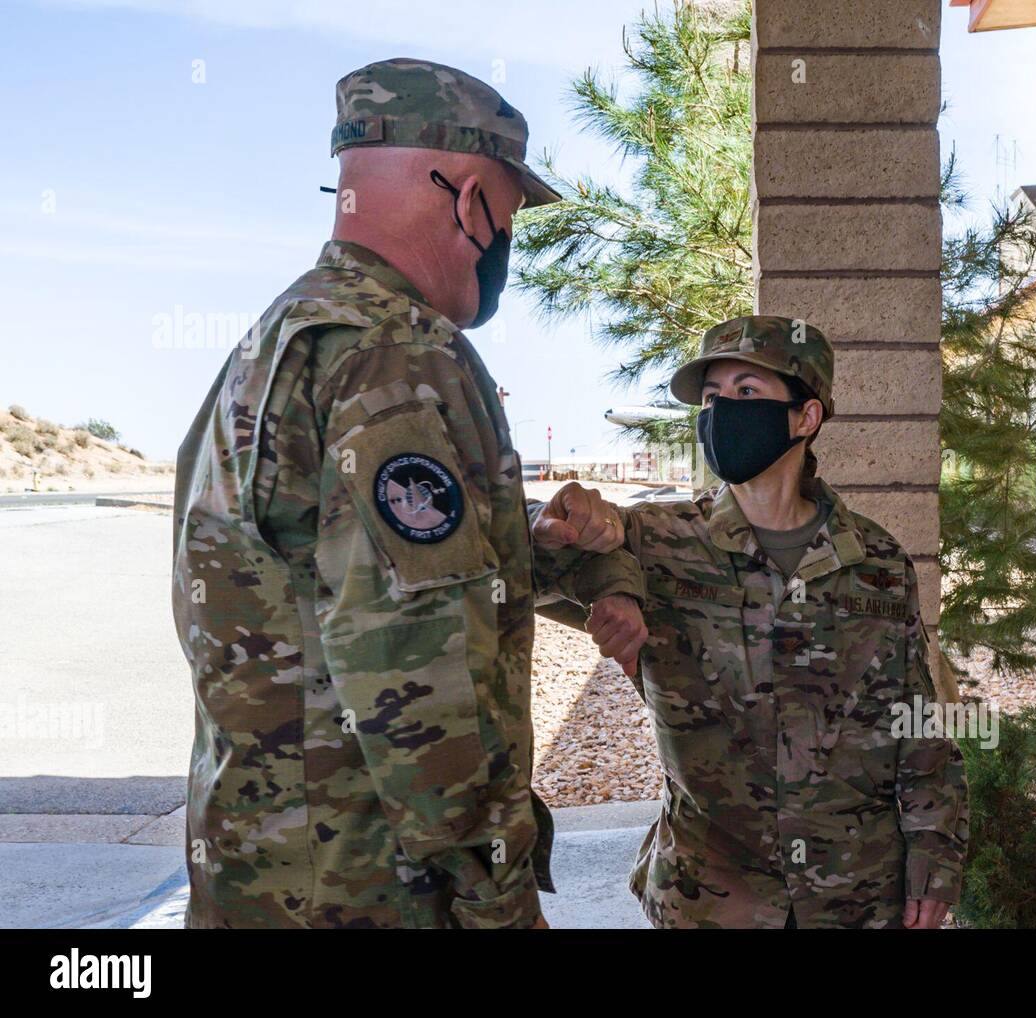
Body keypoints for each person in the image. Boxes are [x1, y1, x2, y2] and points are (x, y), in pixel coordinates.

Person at [171, 58, 641, 929]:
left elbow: (323, 580)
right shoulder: (400, 352)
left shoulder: (278, 338)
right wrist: (495, 894)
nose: (505, 244)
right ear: (467, 200)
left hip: (261, 872)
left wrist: (532, 547)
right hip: (379, 891)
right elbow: (417, 667)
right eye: (506, 215)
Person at [570, 315, 969, 928]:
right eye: (711, 398)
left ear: (805, 418)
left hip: (856, 892)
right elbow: (522, 556)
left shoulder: (878, 560)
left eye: (748, 393)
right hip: (711, 894)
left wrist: (934, 858)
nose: (722, 411)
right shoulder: (656, 538)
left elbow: (918, 720)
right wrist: (600, 567)